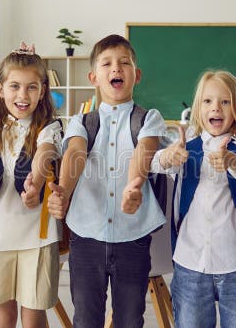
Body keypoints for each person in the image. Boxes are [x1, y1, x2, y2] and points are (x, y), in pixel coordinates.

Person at [47, 34, 167, 328]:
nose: (116, 68)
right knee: (86, 319)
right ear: (94, 78)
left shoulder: (149, 119)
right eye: (107, 63)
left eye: (124, 63)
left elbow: (144, 150)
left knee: (130, 318)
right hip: (86, 236)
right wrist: (64, 190)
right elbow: (75, 153)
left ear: (136, 75)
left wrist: (134, 185)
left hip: (133, 238)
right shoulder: (81, 121)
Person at [152, 70, 236, 328]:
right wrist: (168, 156)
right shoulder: (185, 151)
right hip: (190, 264)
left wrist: (231, 161)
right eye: (208, 101)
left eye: (225, 101)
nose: (216, 107)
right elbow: (156, 163)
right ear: (198, 109)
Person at [0, 42, 63, 328]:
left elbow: (45, 153)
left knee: (33, 316)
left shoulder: (49, 128)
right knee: (3, 316)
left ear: (42, 91)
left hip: (37, 237)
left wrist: (36, 182)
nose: (23, 95)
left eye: (31, 87)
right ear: (0, 89)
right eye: (14, 86)